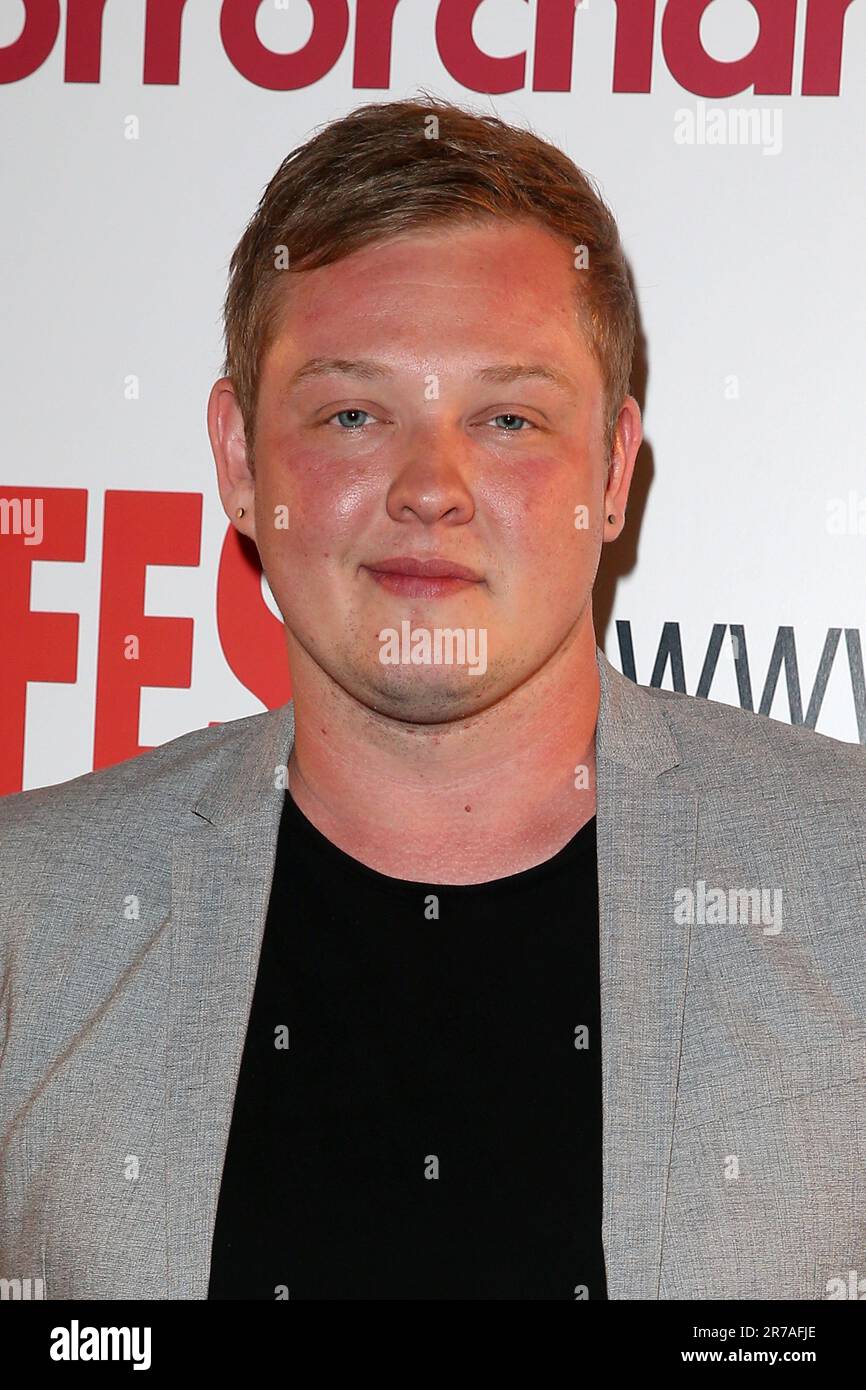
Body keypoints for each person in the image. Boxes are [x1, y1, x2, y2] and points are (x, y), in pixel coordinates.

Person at [1, 96, 864, 1302]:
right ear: (241, 461)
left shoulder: (844, 887)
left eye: (506, 419)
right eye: (353, 414)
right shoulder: (29, 917)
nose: (429, 488)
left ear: (611, 471)